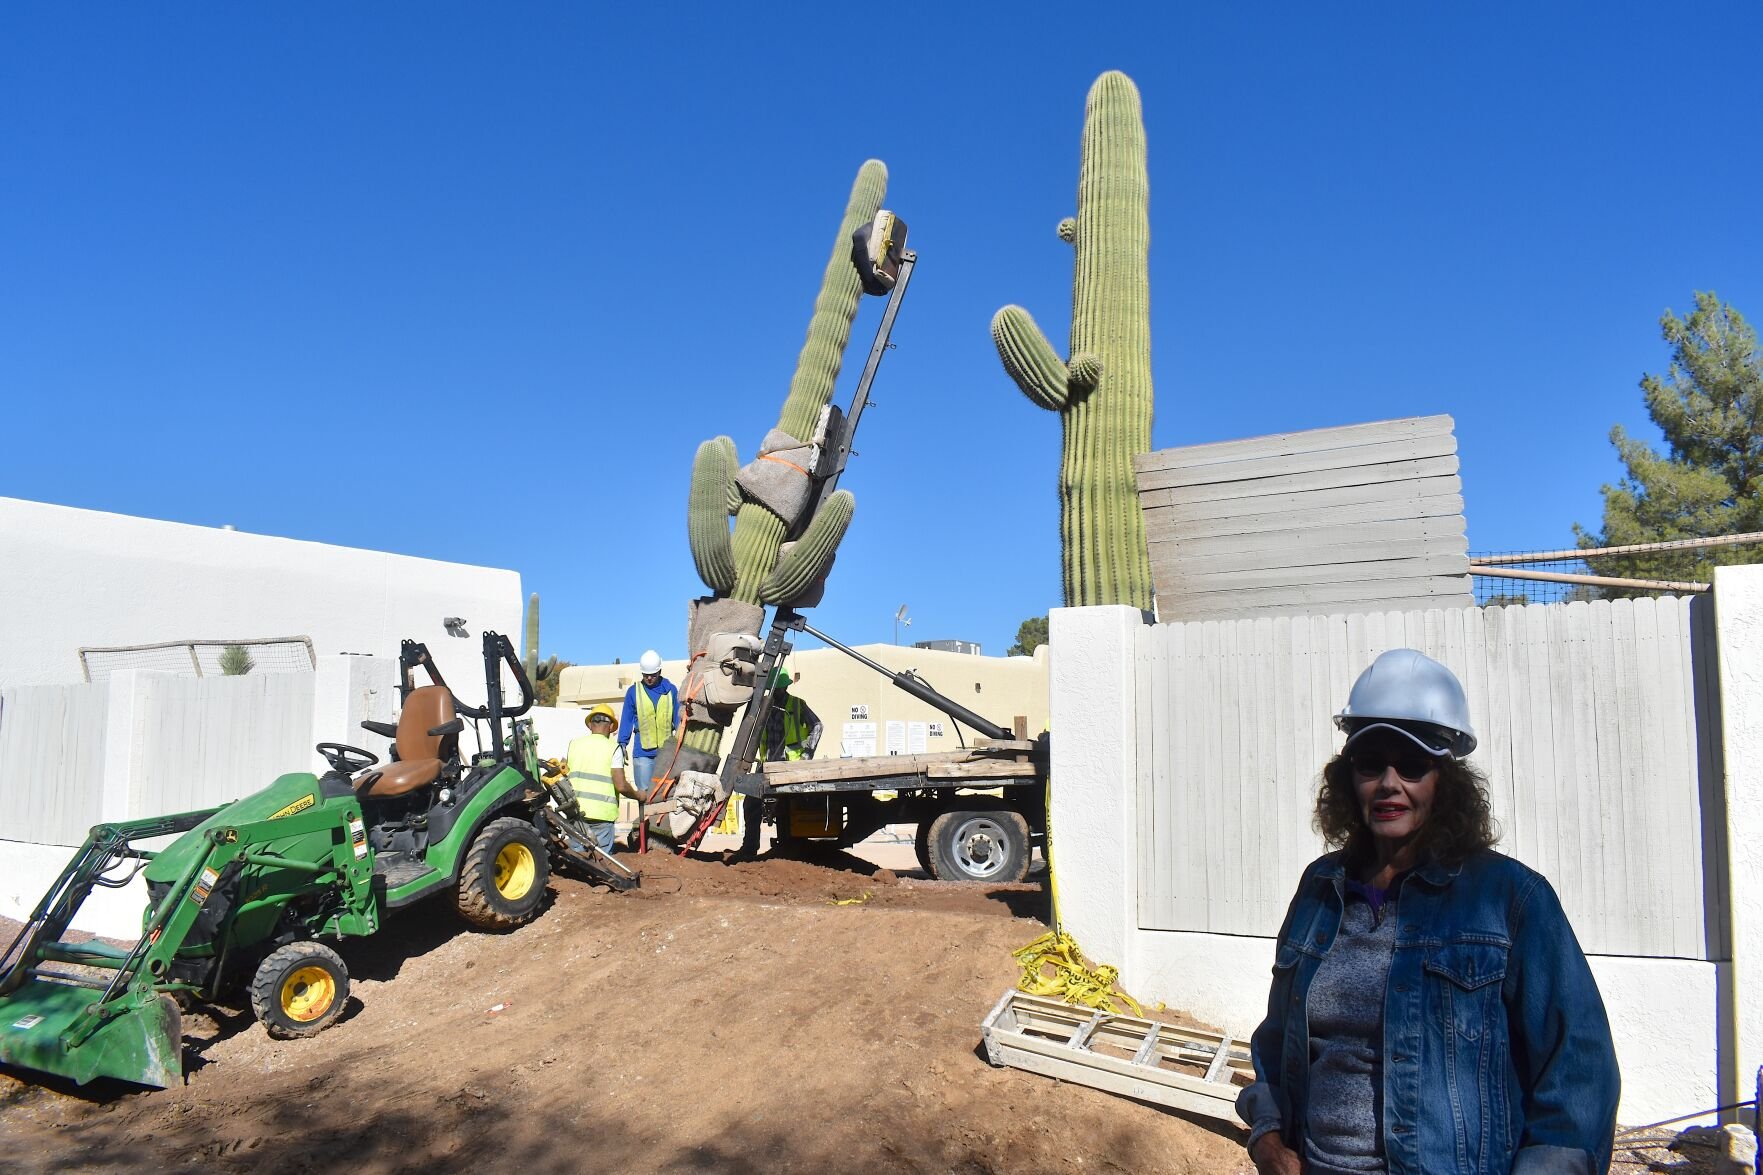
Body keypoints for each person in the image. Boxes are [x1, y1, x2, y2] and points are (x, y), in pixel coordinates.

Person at [1239, 648, 1619, 1175]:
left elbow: (1578, 1073)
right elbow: (1277, 1040)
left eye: (1413, 765)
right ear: (1349, 778)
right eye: (1371, 764)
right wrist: (1268, 1140)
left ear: (1445, 782)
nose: (1390, 783)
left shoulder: (1510, 900)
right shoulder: (1319, 890)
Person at [740, 668, 824, 855]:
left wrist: (806, 754)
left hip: (790, 765)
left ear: (785, 687)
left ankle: (791, 846)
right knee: (751, 803)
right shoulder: (764, 706)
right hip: (767, 765)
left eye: (778, 689)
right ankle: (749, 847)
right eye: (773, 689)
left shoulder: (797, 705)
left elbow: (817, 725)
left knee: (788, 805)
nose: (776, 692)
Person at [563, 704, 646, 855]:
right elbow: (621, 786)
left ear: (590, 725)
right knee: (602, 863)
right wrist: (638, 795)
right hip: (602, 817)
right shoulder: (613, 748)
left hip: (575, 813)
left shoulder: (574, 745)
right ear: (610, 726)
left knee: (577, 861)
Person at [617, 649, 681, 802]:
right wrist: (622, 744)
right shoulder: (634, 692)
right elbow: (626, 719)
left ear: (660, 671)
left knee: (665, 794)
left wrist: (680, 742)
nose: (649, 678)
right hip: (643, 753)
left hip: (666, 753)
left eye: (653, 675)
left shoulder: (671, 691)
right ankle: (643, 825)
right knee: (644, 796)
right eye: (646, 675)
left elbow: (678, 720)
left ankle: (661, 825)